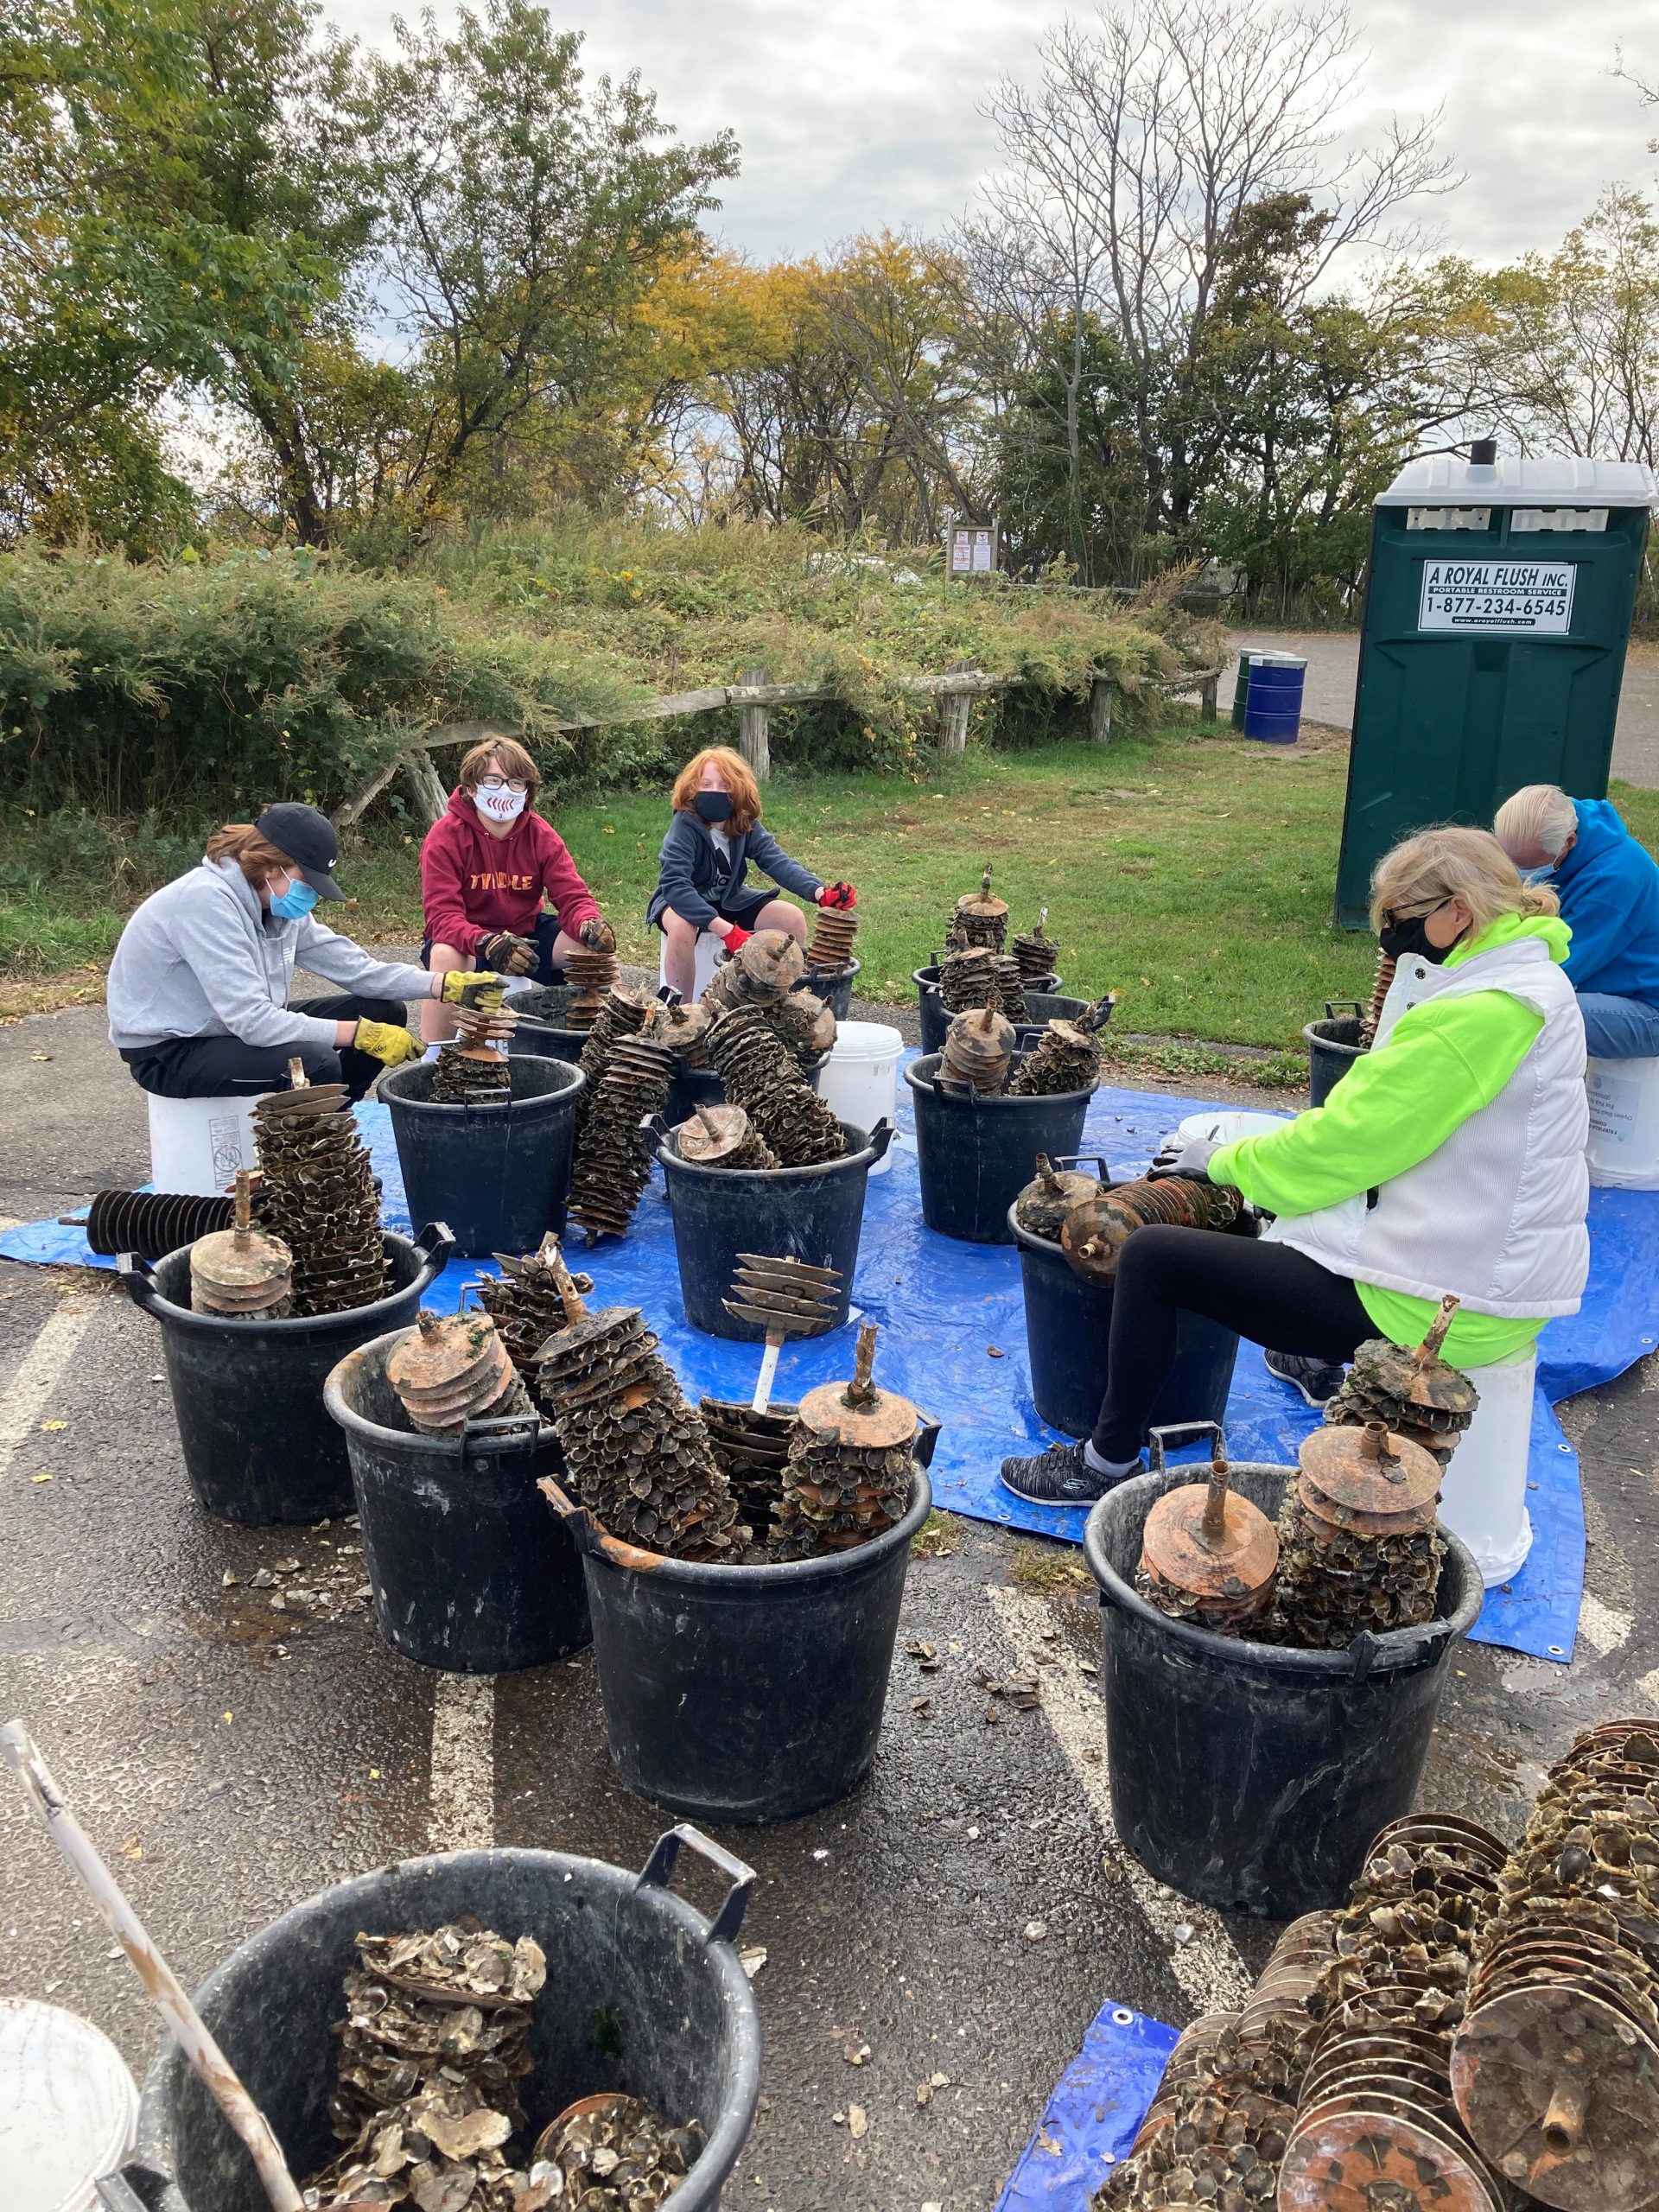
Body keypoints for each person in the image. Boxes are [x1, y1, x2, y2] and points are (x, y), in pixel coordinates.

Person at [1001, 827, 1590, 1504]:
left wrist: (1219, 1160)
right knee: (1291, 1205)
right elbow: (1386, 1134)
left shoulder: (1478, 1018)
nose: (1391, 941)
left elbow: (1343, 1149)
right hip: (1485, 1272)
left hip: (1440, 1306)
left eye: (1399, 923)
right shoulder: (1530, 978)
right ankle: (1313, 1359)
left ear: (1458, 910)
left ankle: (1105, 1463)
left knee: (1155, 1258)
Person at [108, 802, 498, 1102]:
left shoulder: (274, 905)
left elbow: (356, 969)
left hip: (225, 1029)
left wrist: (443, 984)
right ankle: (313, 1162)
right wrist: (358, 1034)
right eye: (305, 880)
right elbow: (254, 1022)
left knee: (385, 1011)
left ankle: (332, 1134)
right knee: (319, 1061)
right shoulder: (205, 903)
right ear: (272, 864)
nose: (309, 893)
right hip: (171, 1049)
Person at [418, 736, 613, 1046]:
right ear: (471, 787)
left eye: (515, 782)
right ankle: (432, 1054)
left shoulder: (540, 834)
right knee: (444, 955)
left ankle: (588, 1048)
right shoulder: (445, 836)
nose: (504, 790)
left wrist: (590, 923)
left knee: (591, 949)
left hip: (526, 935)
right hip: (470, 942)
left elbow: (573, 897)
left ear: (528, 791)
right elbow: (441, 917)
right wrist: (487, 942)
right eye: (493, 780)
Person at [648, 745, 855, 1001]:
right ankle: (679, 1010)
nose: (715, 791)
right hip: (681, 902)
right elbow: (676, 885)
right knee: (682, 929)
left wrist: (820, 892)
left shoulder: (743, 822)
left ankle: (778, 1001)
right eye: (706, 784)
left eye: (724, 786)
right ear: (691, 788)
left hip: (729, 899)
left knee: (792, 919)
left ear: (738, 789)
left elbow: (776, 860)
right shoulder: (684, 824)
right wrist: (725, 930)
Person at [1493, 783, 1659, 1059]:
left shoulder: (1613, 884)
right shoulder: (1554, 826)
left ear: (1569, 842)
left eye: (1527, 865)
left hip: (1648, 1009)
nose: (1518, 873)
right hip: (1605, 982)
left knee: (1522, 1015)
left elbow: (1557, 970)